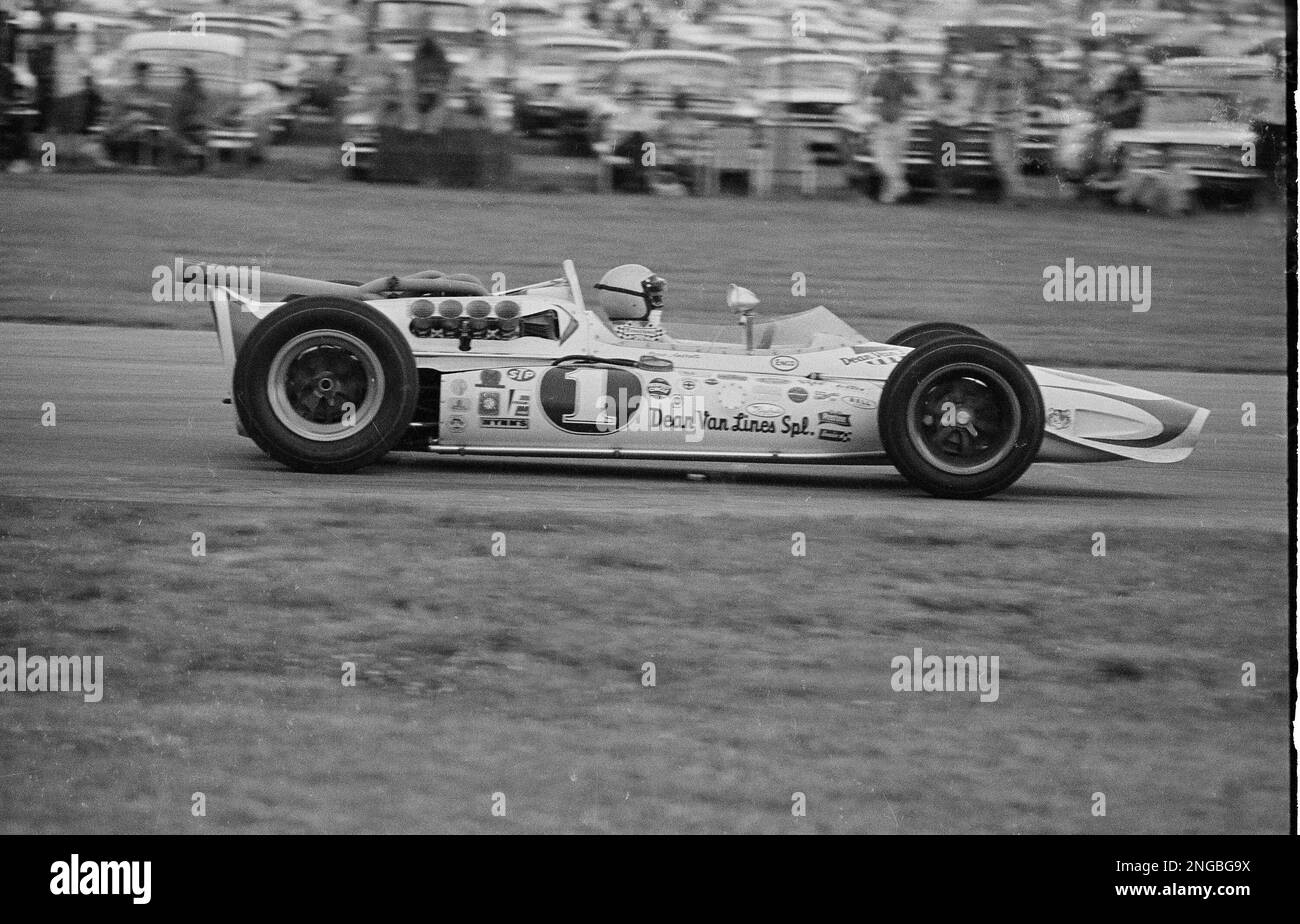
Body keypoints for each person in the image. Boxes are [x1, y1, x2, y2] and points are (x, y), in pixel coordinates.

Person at [973, 37, 1027, 204]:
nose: (1007, 50)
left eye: (1010, 47)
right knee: (998, 158)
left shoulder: (1020, 68)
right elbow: (982, 90)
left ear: (1014, 49)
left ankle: (1013, 194)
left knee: (1012, 159)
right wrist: (978, 108)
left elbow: (1032, 84)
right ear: (1000, 49)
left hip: (1015, 115)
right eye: (1004, 47)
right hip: (998, 116)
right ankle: (1016, 192)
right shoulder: (992, 68)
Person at [870, 46, 916, 204]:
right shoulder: (881, 75)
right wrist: (886, 73)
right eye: (891, 58)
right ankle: (900, 186)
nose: (893, 61)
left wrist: (901, 74)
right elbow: (875, 91)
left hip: (900, 122)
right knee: (881, 160)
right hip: (884, 123)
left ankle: (889, 196)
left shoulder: (905, 76)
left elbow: (913, 93)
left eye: (896, 58)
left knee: (896, 161)